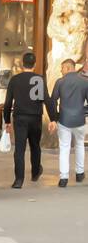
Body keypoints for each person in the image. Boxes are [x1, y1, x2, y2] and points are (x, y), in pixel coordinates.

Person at [3, 51, 47, 189]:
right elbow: (47, 99)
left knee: (20, 149)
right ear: (34, 64)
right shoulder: (39, 79)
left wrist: (7, 121)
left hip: (20, 117)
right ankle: (35, 173)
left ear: (23, 64)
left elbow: (8, 102)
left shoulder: (15, 80)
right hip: (35, 117)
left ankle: (18, 180)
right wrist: (53, 118)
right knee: (35, 146)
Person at [47, 58, 88, 188]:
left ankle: (63, 178)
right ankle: (80, 173)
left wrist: (55, 117)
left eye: (62, 68)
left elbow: (53, 100)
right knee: (80, 145)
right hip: (80, 120)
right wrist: (84, 111)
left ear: (69, 67)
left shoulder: (60, 82)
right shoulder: (84, 82)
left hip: (64, 120)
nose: (61, 70)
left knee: (64, 148)